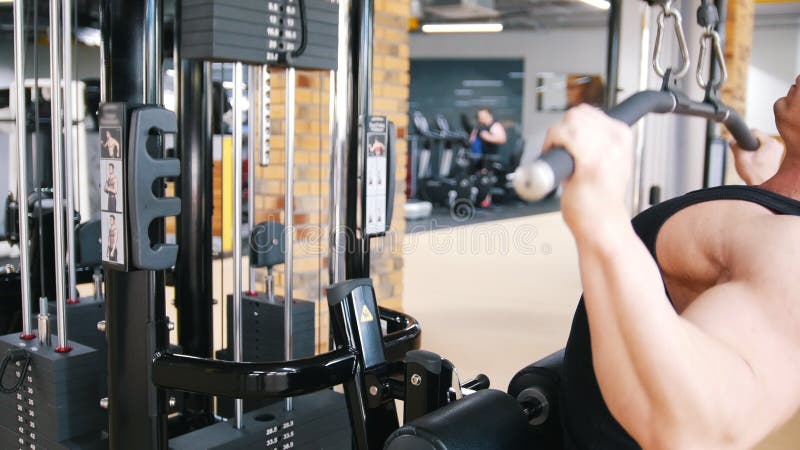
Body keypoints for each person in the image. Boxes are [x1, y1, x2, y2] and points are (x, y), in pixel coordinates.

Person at [548, 77, 800, 449]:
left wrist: (602, 216)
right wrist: (770, 178)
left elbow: (697, 433)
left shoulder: (788, 249)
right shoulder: (773, 223)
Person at [470, 108, 507, 206]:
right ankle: (477, 198)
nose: (481, 118)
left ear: (489, 115)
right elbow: (471, 139)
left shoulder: (495, 126)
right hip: (479, 158)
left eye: (483, 115)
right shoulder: (479, 126)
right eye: (480, 116)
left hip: (490, 158)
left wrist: (487, 136)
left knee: (485, 175)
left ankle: (486, 199)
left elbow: (502, 139)